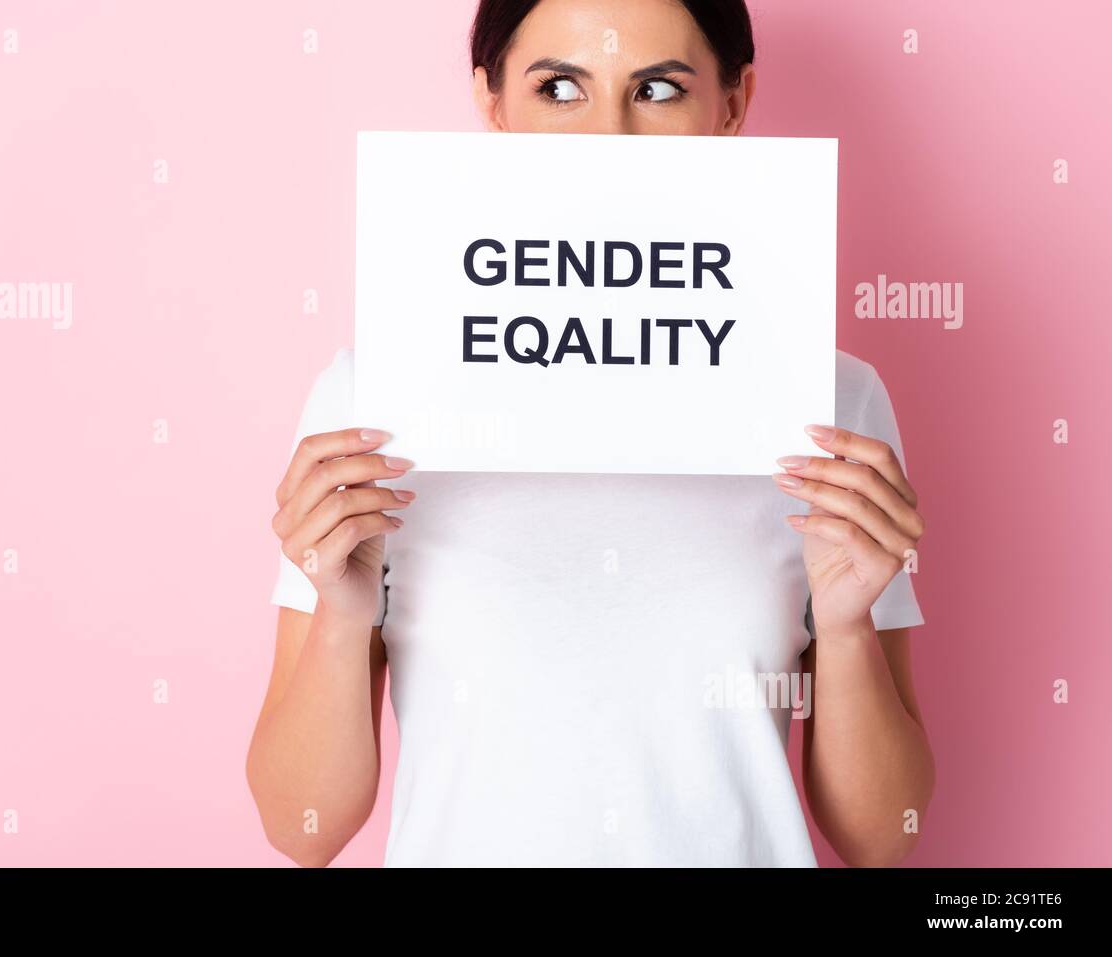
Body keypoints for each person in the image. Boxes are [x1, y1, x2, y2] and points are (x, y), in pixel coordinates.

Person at [247, 0, 934, 867]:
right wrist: (343, 621)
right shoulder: (378, 394)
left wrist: (844, 629)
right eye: (559, 87)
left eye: (657, 88)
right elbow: (296, 826)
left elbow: (884, 836)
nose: (607, 136)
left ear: (732, 104)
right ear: (493, 105)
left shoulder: (830, 405)